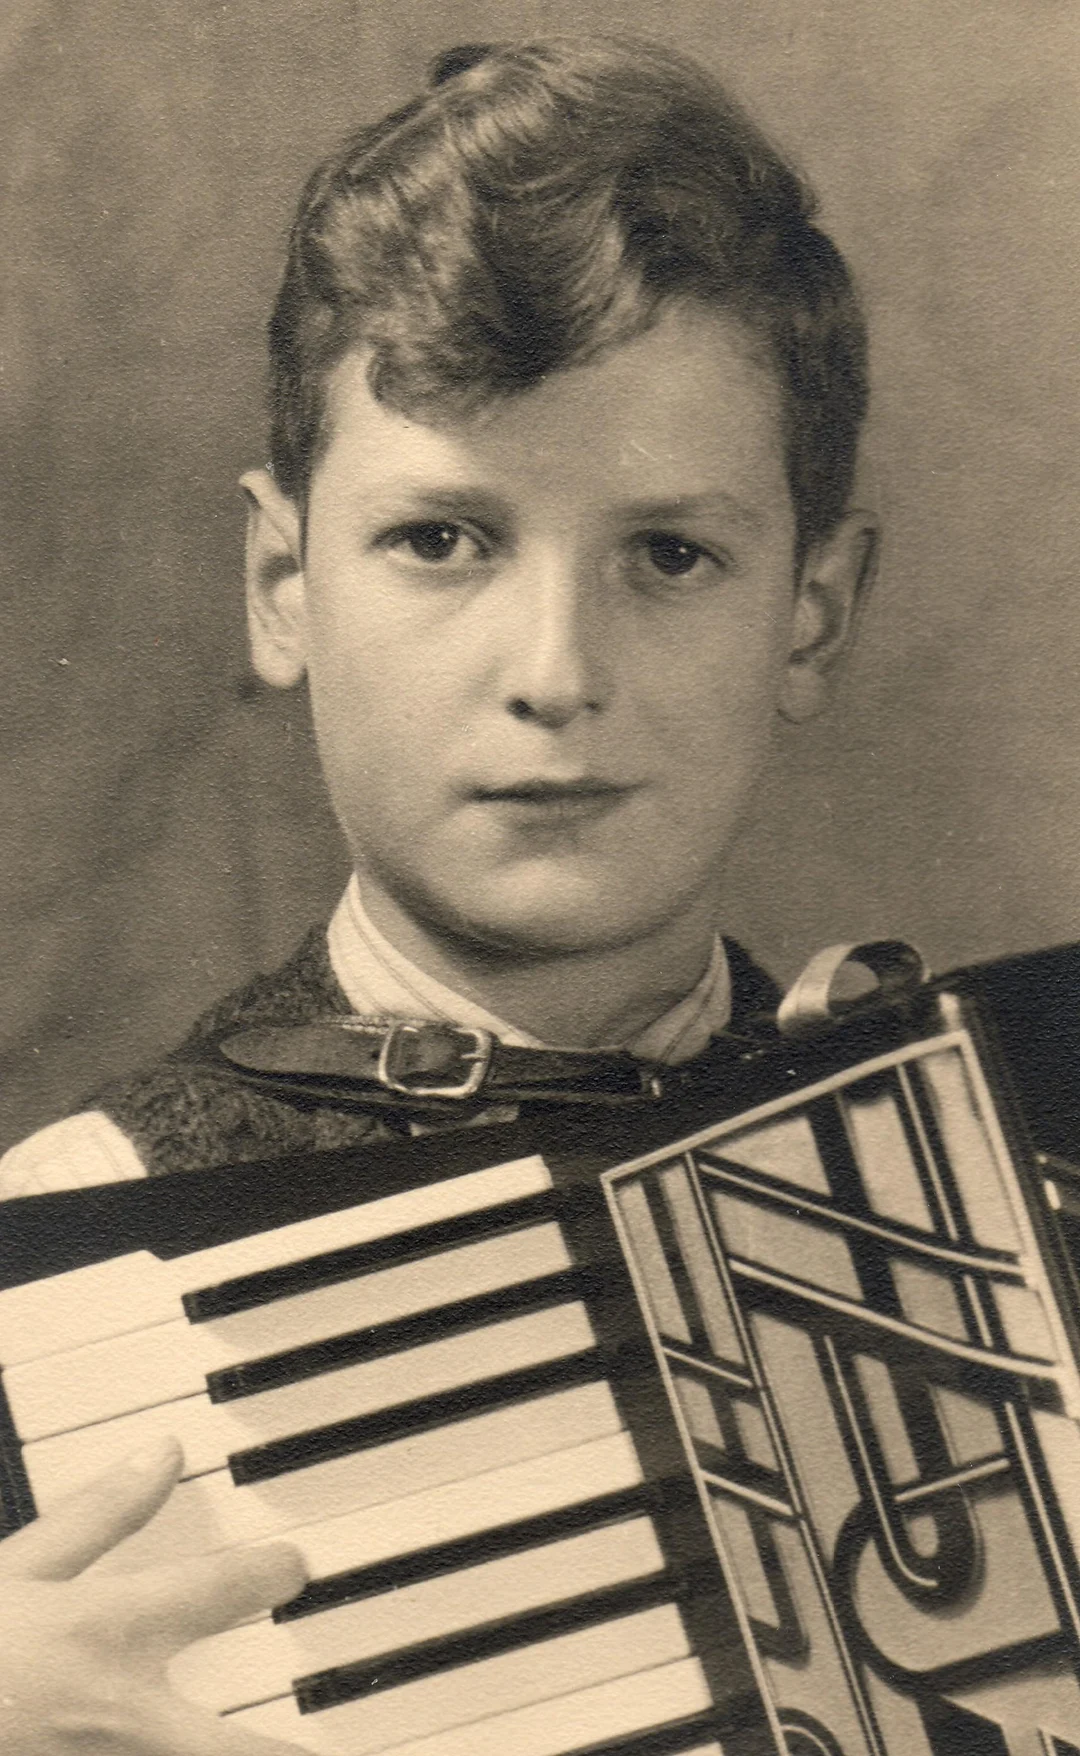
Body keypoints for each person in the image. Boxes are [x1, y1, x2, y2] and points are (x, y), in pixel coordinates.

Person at [0, 35, 877, 1753]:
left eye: (670, 555)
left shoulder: (968, 1170)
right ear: (282, 585)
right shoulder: (61, 1244)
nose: (556, 672)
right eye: (443, 541)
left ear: (813, 613)